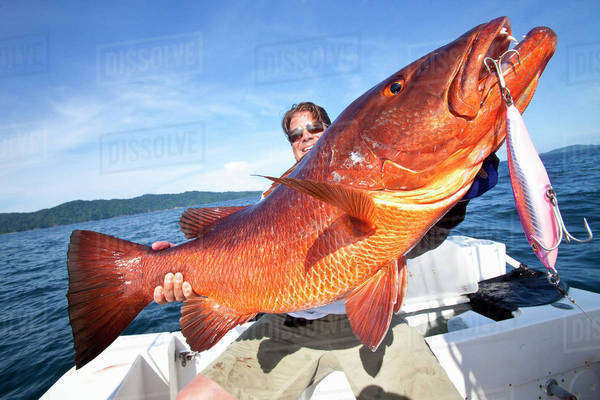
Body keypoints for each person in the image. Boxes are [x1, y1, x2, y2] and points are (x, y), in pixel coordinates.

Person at [153, 102, 498, 399]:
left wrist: (457, 191)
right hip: (284, 327)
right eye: (295, 134)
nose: (305, 137)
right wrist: (177, 269)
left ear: (334, 132)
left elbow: (419, 237)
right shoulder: (269, 203)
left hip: (366, 328)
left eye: (315, 127)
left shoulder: (368, 183)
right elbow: (243, 269)